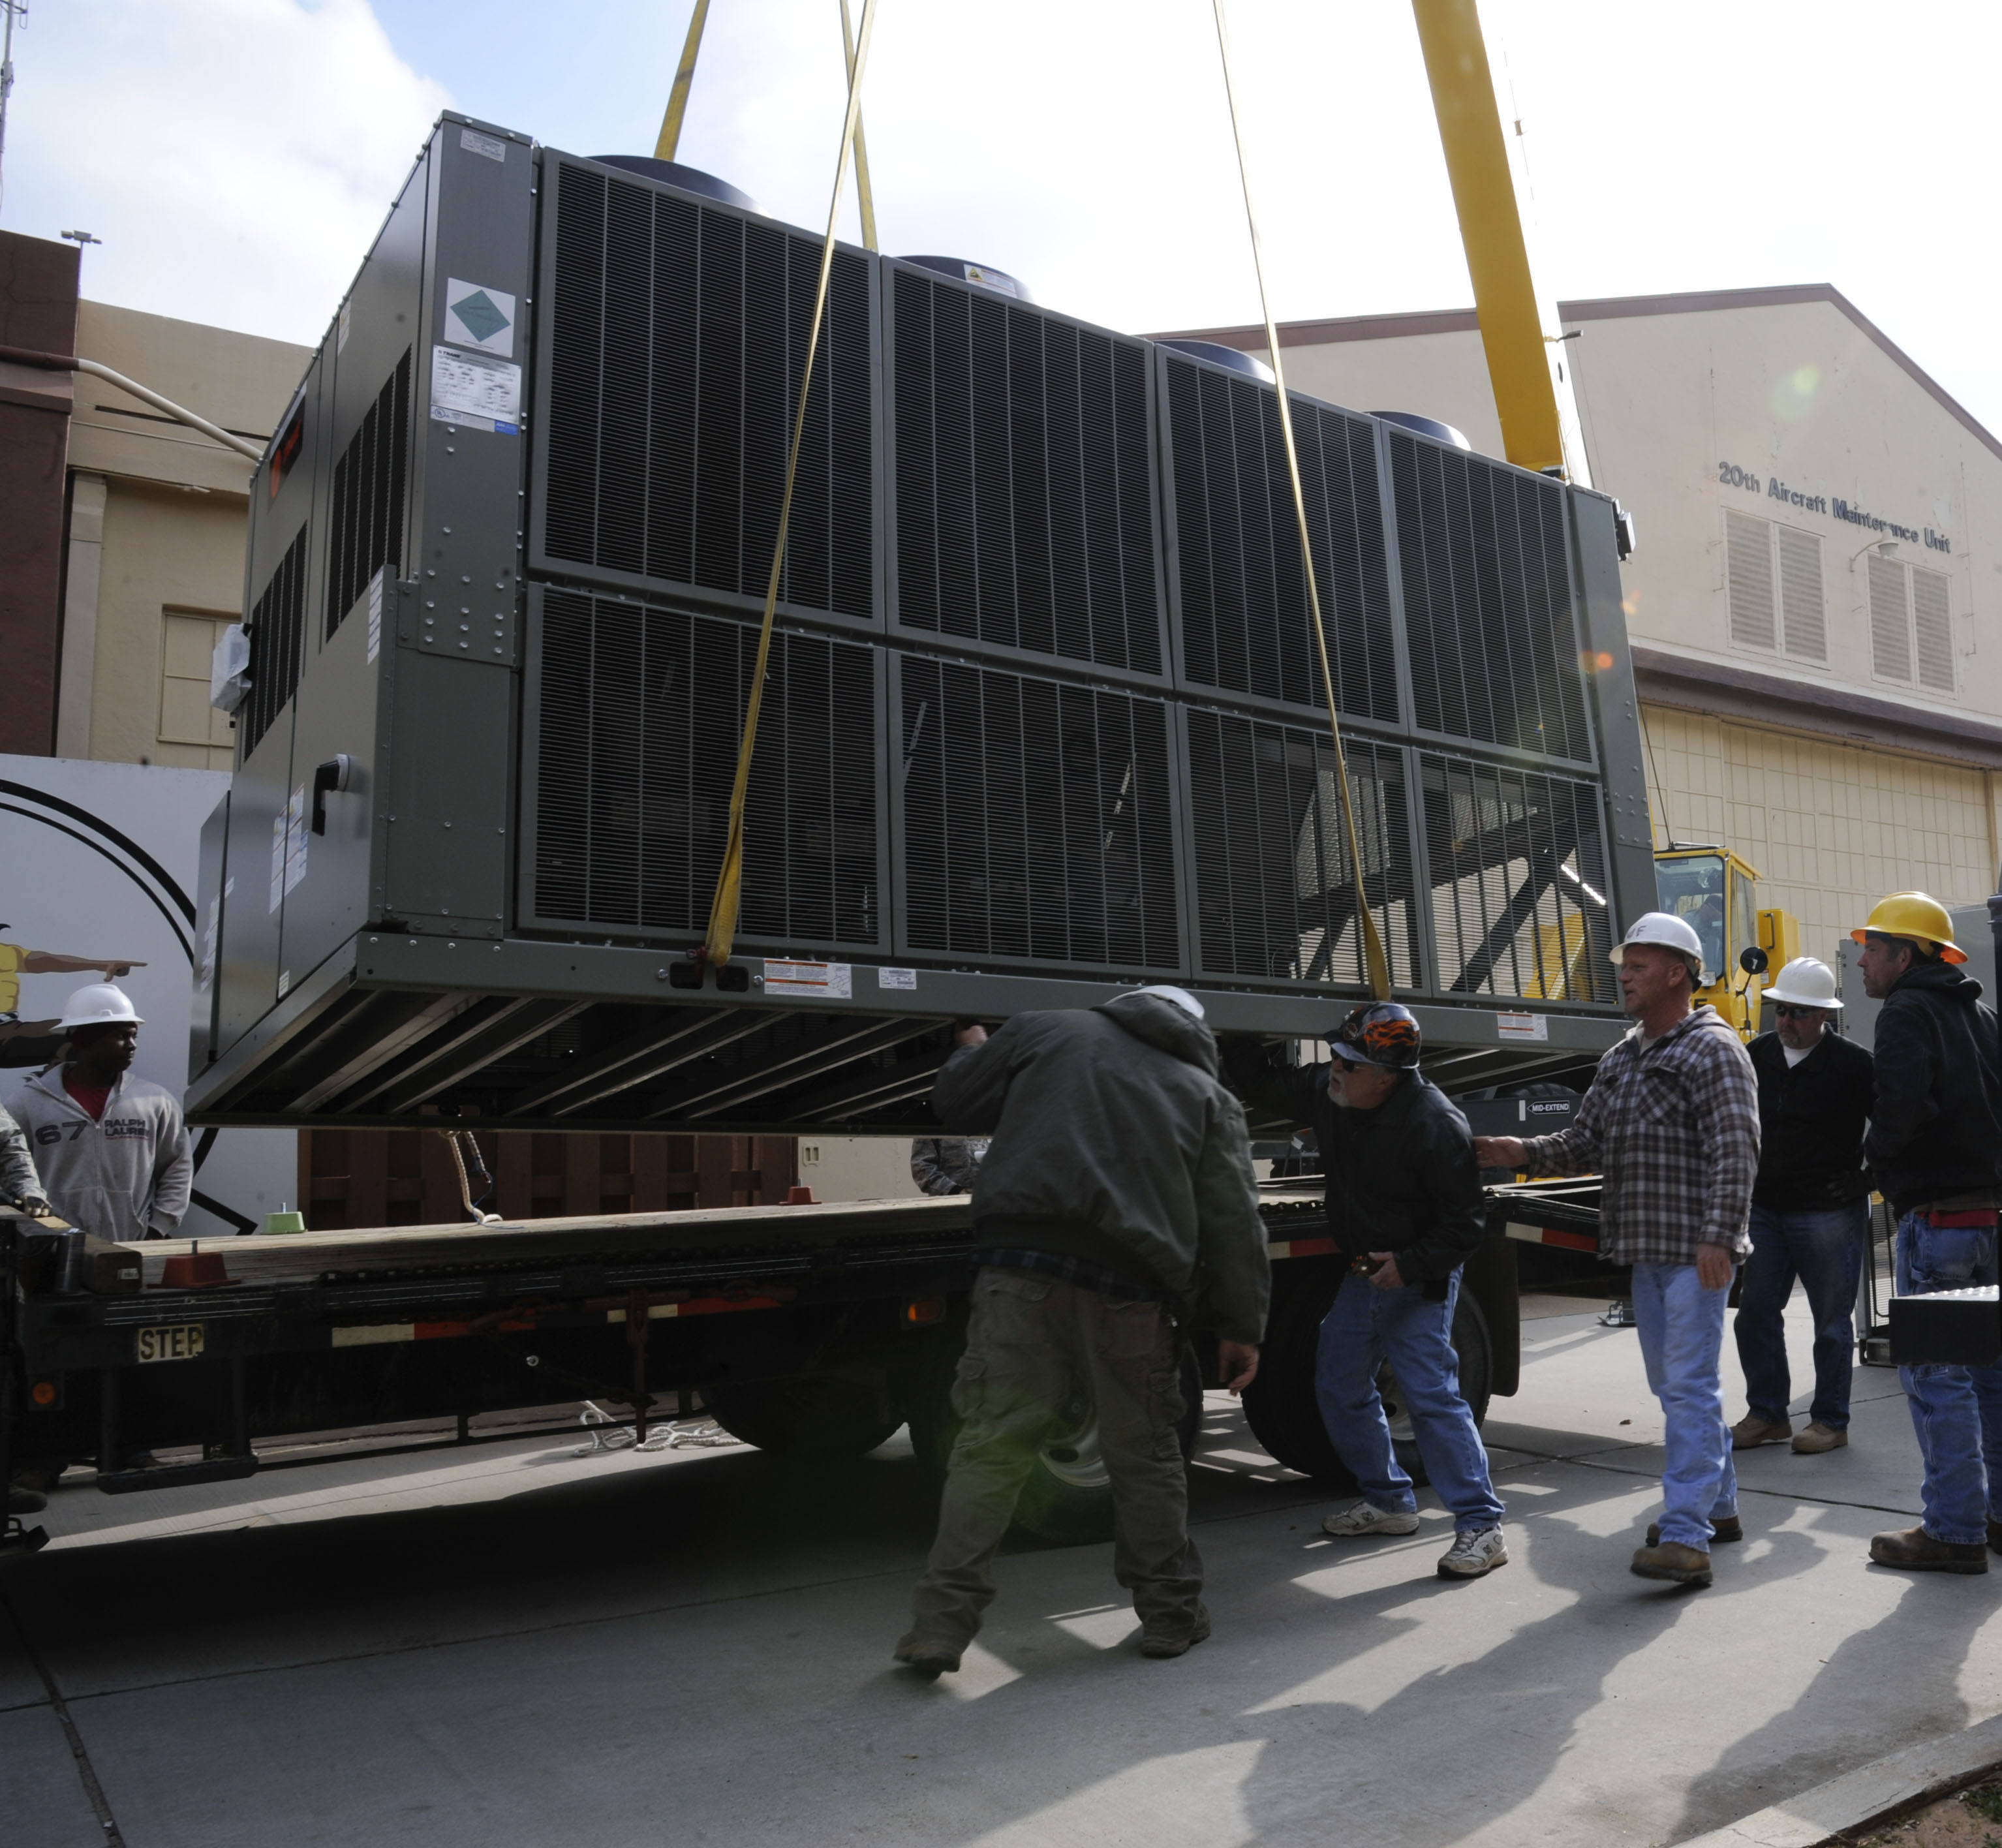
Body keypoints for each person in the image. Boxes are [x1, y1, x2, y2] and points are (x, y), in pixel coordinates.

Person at [895, 985, 1267, 1673]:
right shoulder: (1207, 1095)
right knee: (1144, 1455)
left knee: (989, 1448)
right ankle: (1169, 1616)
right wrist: (1242, 1326)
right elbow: (1234, 1222)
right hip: (1130, 1292)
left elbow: (958, 1101)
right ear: (1195, 1032)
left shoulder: (1046, 1028)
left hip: (1017, 1271)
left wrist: (974, 1048)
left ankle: (938, 1628)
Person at [1474, 912, 1759, 1590]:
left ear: (1676, 973)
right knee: (1676, 1388)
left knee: (1687, 1388)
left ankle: (1686, 1537)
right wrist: (1520, 1153)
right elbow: (1583, 1141)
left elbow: (1736, 1147)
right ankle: (1716, 1508)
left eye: (1636, 965)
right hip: (1646, 1252)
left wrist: (1719, 1235)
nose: (1622, 975)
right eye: (1623, 964)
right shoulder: (1623, 1055)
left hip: (1695, 1254)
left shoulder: (1712, 1049)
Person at [1227, 1002, 1509, 1580]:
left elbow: (1464, 1227)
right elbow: (1260, 1082)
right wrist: (1230, 1014)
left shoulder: (1435, 1125)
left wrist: (1408, 1265)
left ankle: (1481, 1526)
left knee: (1431, 1393)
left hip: (1416, 1275)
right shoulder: (1335, 1092)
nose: (1335, 1067)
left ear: (1387, 1076)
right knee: (1337, 1377)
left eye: (1350, 1062)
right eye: (1336, 1054)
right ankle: (1388, 1501)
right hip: (1363, 1269)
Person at [1849, 894, 2002, 1575]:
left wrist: (1874, 1164)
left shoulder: (1905, 1011)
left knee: (1936, 1378)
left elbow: (1901, 1105)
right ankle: (1994, 1519)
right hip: (1989, 1220)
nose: (1860, 960)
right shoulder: (1982, 1017)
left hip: (1938, 1223)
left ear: (1902, 956)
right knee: (1991, 1377)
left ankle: (1953, 1531)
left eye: (1871, 949)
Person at [1731, 957, 1874, 1456]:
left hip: (1827, 1211)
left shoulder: (1855, 1065)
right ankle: (1768, 1414)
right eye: (1781, 1010)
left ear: (1823, 1017)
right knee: (1754, 1314)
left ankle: (1831, 1421)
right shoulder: (1756, 1056)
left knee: (1831, 1322)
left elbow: (1899, 1123)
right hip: (1765, 1209)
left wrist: (1867, 1180)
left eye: (1798, 1013)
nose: (1786, 1021)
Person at [6, 985, 191, 1244]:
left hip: (132, 1248)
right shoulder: (26, 1105)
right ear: (83, 1040)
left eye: (134, 1035)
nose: (132, 1045)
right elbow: (10, 1176)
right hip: (50, 1254)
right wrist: (36, 1233)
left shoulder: (155, 1102)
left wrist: (157, 1229)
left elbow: (177, 1167)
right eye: (121, 1036)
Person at [910, 1136, 989, 1196]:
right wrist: (955, 1191)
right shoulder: (934, 1123)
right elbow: (921, 1167)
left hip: (988, 1204)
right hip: (949, 1204)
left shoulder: (990, 1118)